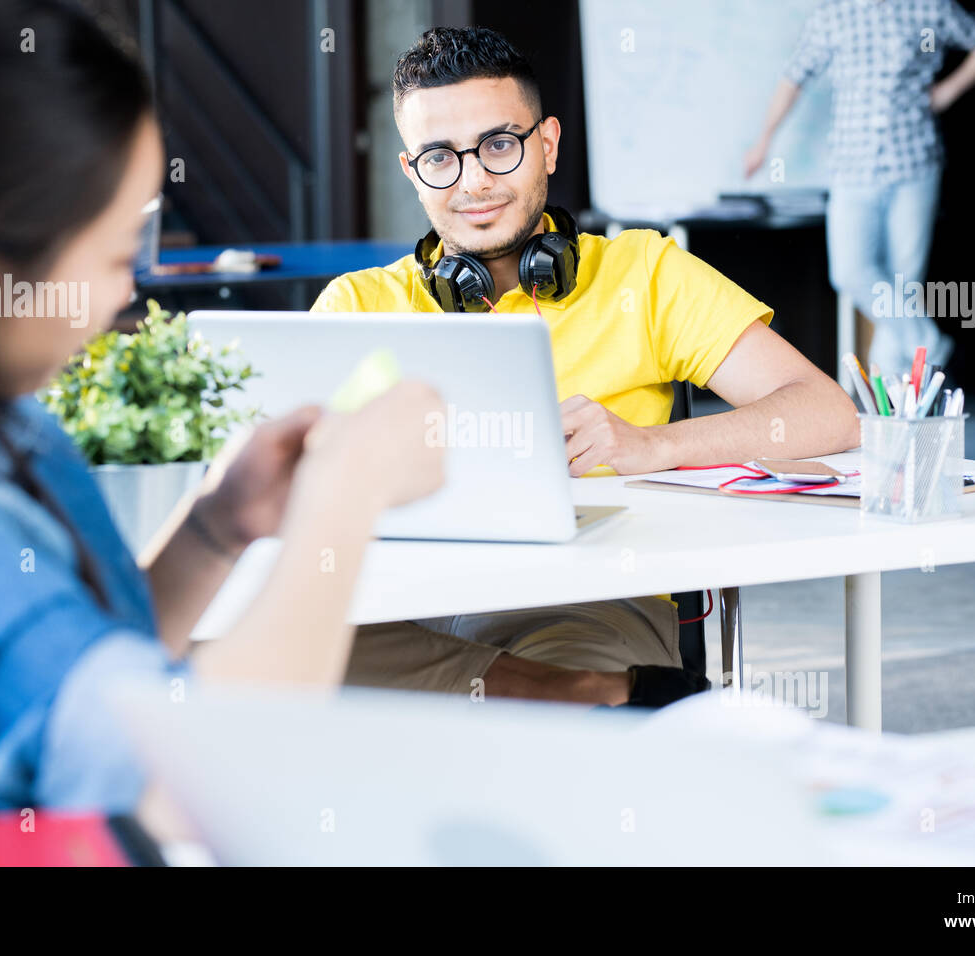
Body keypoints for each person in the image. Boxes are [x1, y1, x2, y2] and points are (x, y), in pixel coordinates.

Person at [0, 0, 443, 824]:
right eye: (118, 253)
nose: (128, 291)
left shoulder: (4, 424)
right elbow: (175, 781)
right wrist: (346, 494)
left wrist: (215, 530)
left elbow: (90, 680)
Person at [313, 27, 859, 709]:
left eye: (499, 146)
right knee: (230, 646)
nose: (473, 181)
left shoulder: (645, 270)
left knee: (528, 730)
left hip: (586, 600)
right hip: (403, 601)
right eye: (439, 158)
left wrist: (650, 445)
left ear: (546, 144)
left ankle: (544, 691)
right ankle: (580, 692)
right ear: (411, 172)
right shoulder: (356, 305)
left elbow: (826, 413)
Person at [745, 0, 975, 377]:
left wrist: (948, 90)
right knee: (850, 271)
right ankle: (930, 343)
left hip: (914, 161)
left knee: (903, 286)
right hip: (852, 166)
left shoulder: (928, 7)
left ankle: (895, 401)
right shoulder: (833, 14)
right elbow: (794, 77)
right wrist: (765, 140)